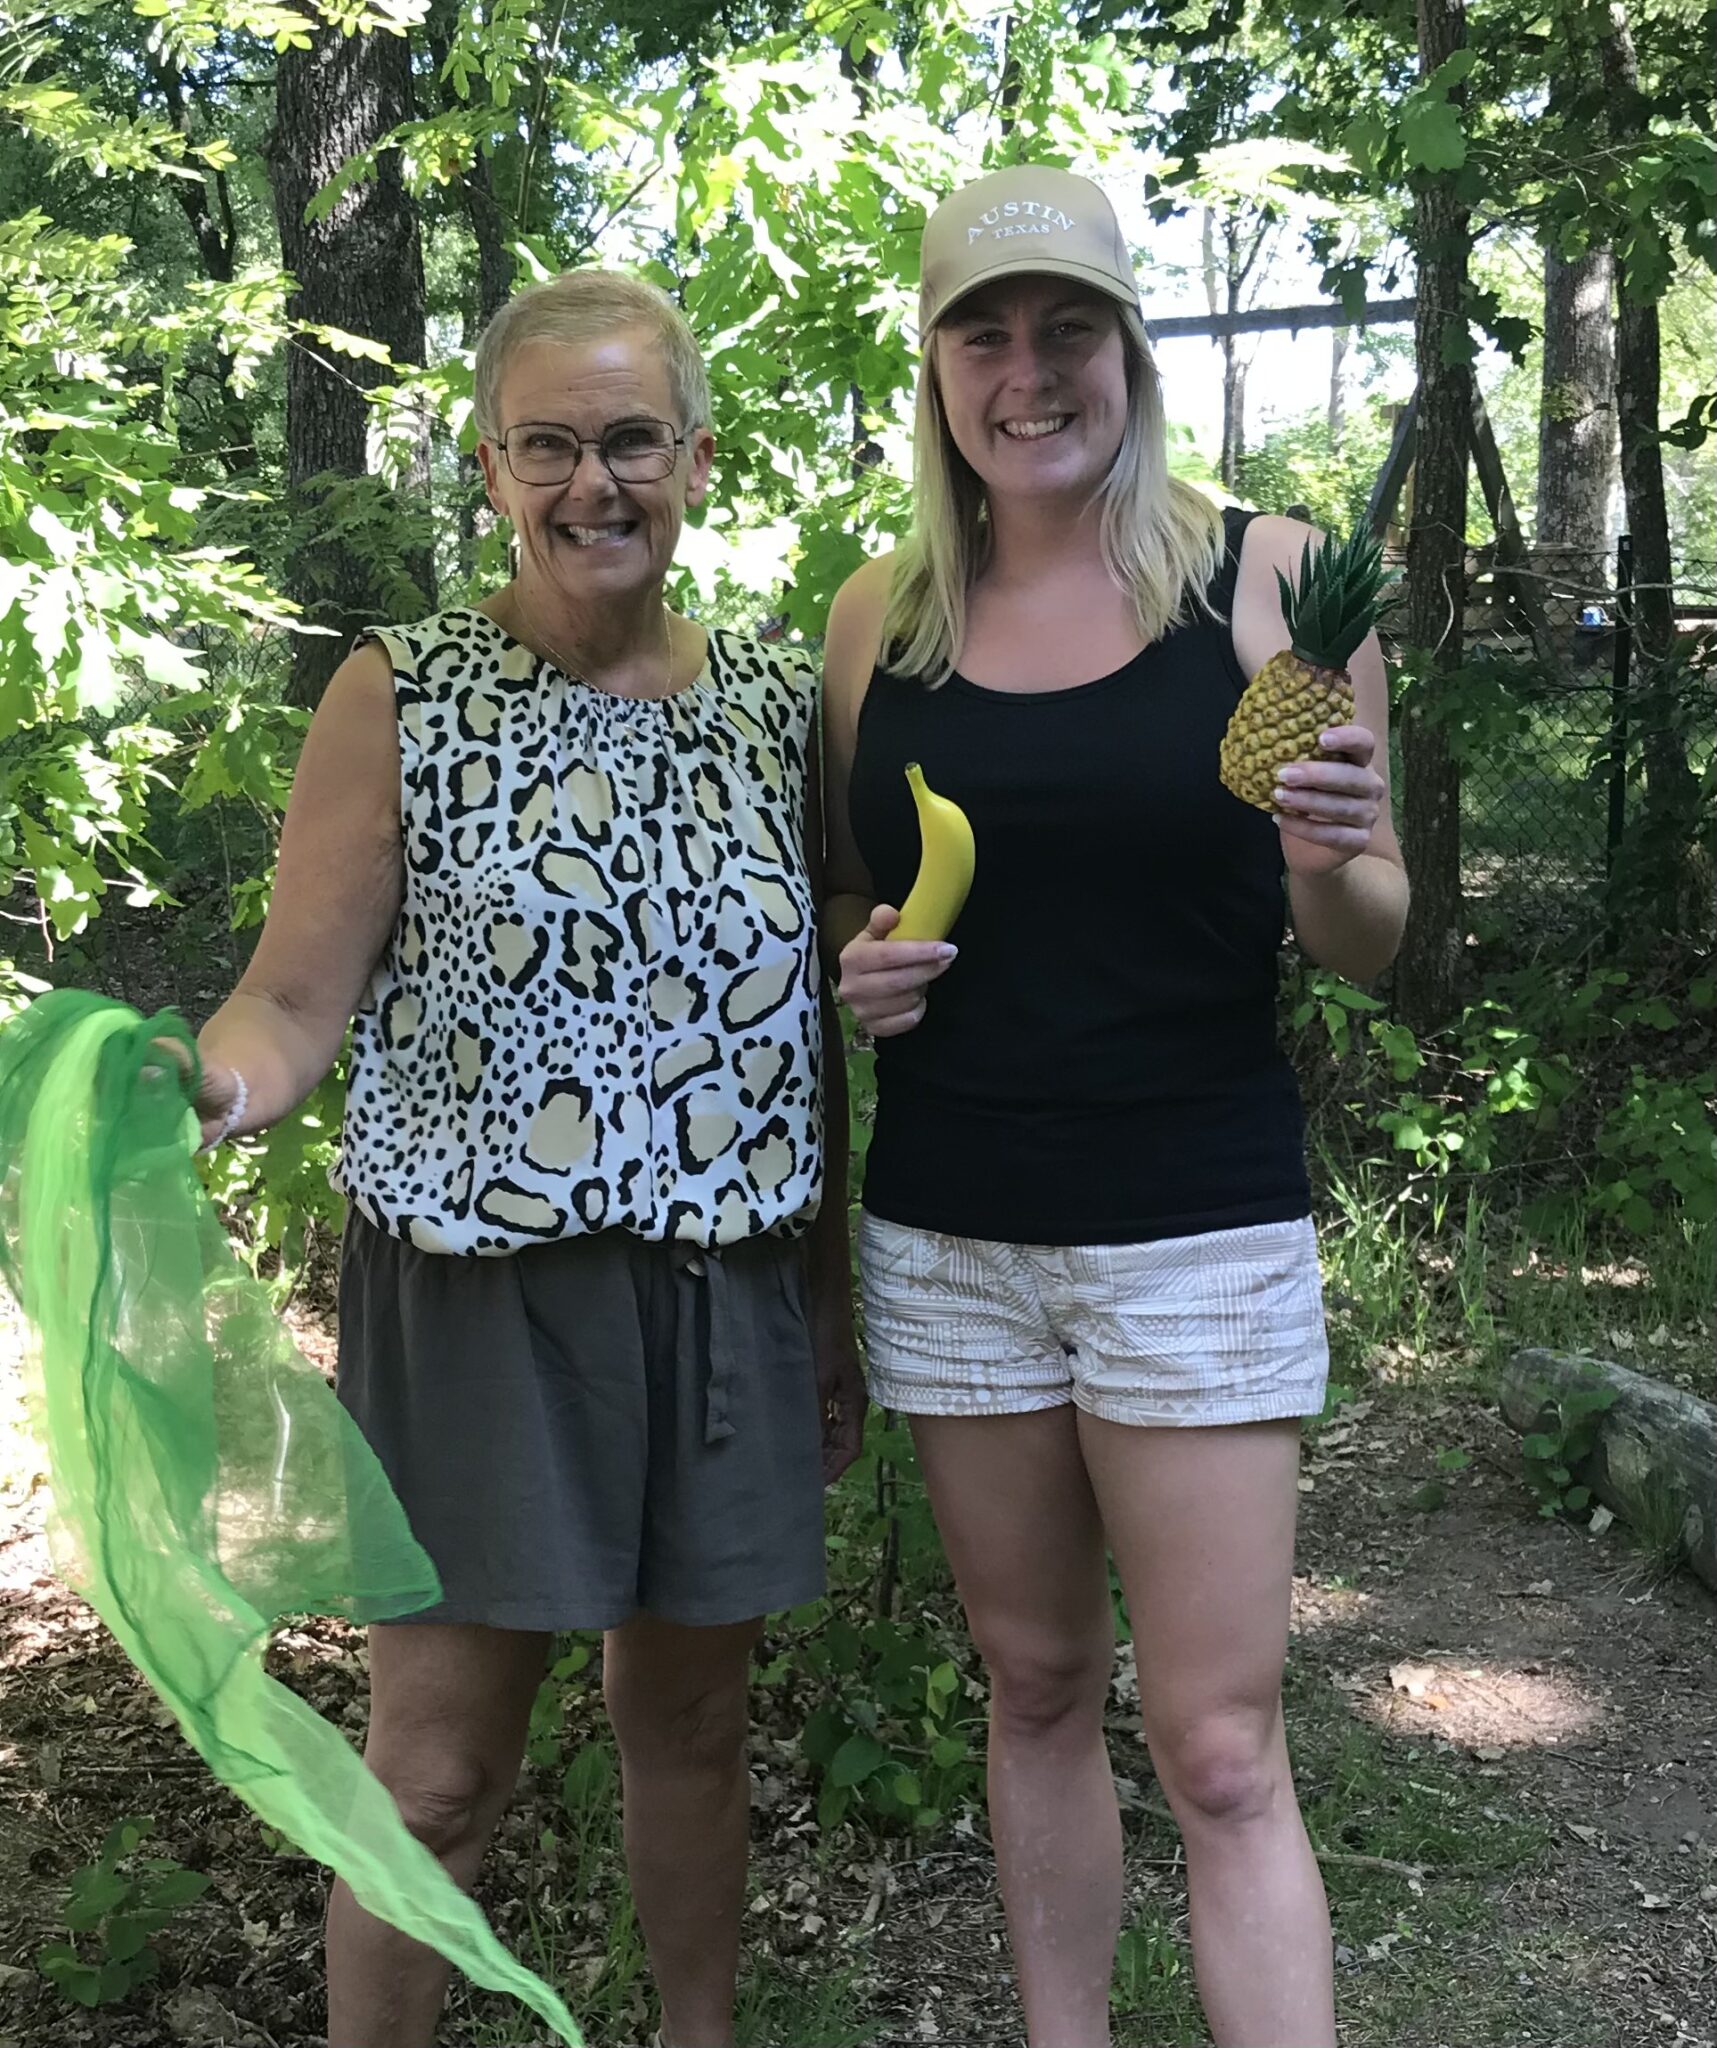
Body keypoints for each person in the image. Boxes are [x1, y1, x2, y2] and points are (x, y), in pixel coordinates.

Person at [182, 268, 865, 2048]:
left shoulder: (786, 709)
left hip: (728, 1293)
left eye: (629, 440)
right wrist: (216, 1086)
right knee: (436, 1773)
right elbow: (292, 993)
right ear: (487, 470)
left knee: (697, 1732)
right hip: (482, 1300)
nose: (592, 485)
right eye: (546, 446)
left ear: (699, 459)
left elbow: (823, 1032)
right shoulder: (401, 691)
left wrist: (834, 1304)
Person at [821, 166, 1409, 2048]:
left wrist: (1329, 853)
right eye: (983, 332)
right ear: (934, 369)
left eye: (1066, 327)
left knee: (1223, 1749)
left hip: (1195, 1232)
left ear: (1128, 348)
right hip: (950, 1230)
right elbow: (858, 896)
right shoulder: (879, 618)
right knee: (1035, 1679)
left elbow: (1371, 937)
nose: (1027, 370)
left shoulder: (1270, 581)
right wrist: (867, 968)